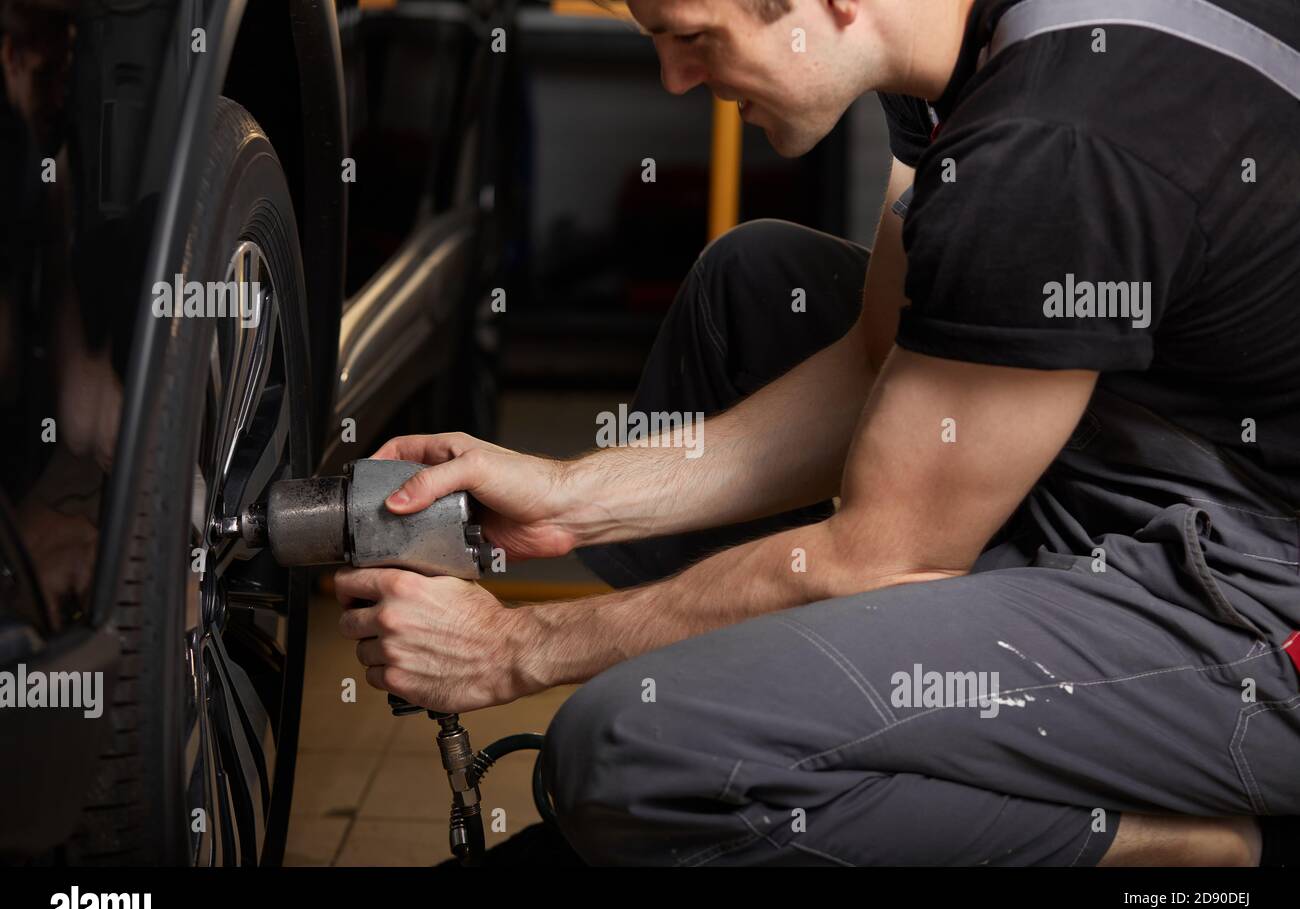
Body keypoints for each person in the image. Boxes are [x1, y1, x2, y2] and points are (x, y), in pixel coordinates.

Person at [335, 0, 1300, 865]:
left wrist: (516, 650)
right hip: (1171, 462)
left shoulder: (1057, 134)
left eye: (692, 35)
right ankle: (797, 759)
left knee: (628, 748)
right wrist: (569, 501)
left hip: (1255, 607)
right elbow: (878, 362)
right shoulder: (962, 50)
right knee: (750, 291)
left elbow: (874, 557)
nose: (674, 76)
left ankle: (1168, 849)